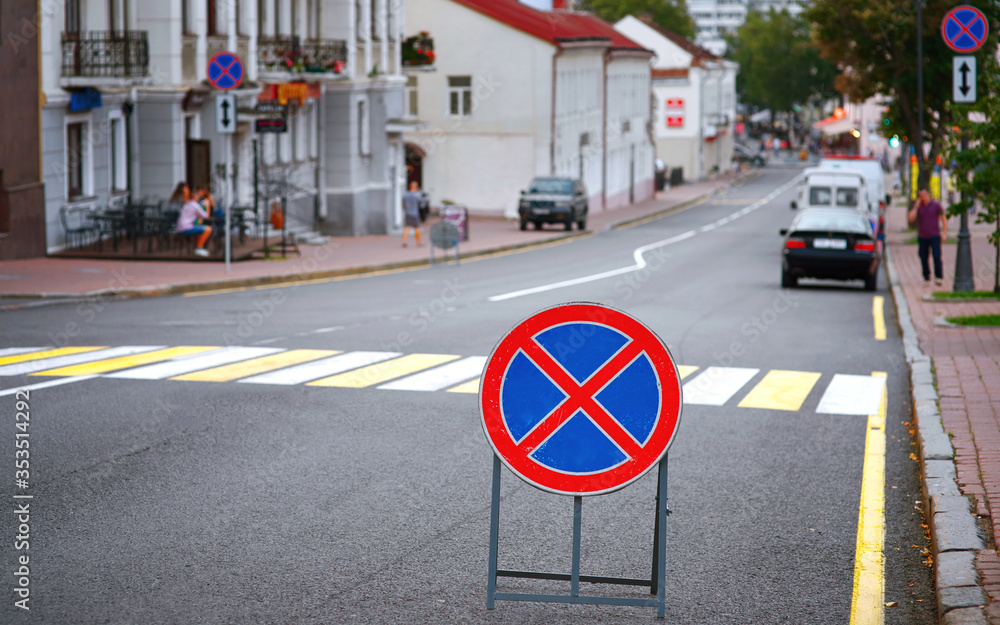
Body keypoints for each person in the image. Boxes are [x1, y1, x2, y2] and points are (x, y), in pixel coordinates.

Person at [908, 188, 947, 286]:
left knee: (937, 255)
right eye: (921, 195)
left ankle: (938, 277)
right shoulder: (919, 207)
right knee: (923, 257)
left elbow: (943, 218)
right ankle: (926, 277)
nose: (923, 197)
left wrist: (944, 233)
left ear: (928, 194)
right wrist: (916, 206)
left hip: (934, 235)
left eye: (924, 195)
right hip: (923, 236)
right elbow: (911, 218)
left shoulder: (935, 205)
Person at [175, 185, 212, 257]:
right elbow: (206, 216)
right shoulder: (195, 205)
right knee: (208, 229)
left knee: (200, 229)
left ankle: (198, 248)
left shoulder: (188, 203)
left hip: (180, 227)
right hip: (185, 228)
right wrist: (207, 205)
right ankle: (199, 248)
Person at [401, 181, 422, 247]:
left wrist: (406, 209)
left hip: (408, 213)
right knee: (416, 228)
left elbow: (403, 204)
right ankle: (418, 242)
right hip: (415, 213)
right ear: (416, 187)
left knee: (407, 227)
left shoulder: (405, 194)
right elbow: (420, 203)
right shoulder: (417, 195)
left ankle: (404, 241)